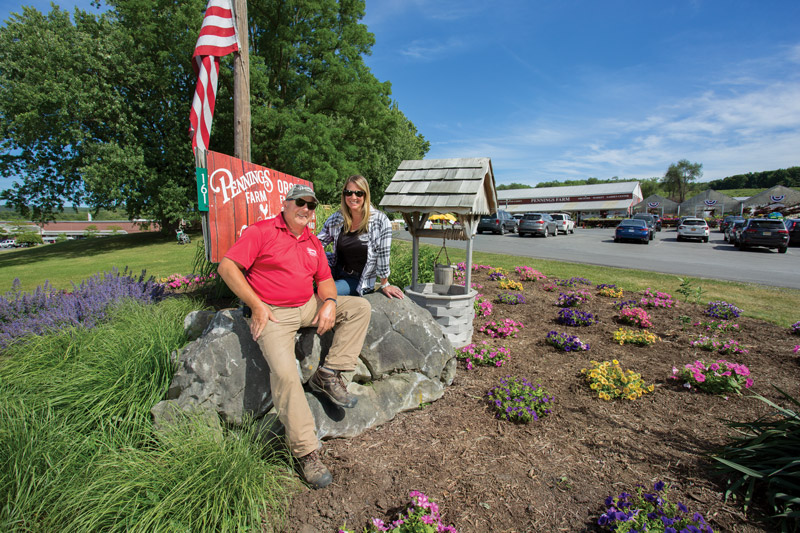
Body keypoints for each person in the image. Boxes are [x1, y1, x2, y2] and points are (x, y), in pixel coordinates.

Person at [217, 184, 371, 490]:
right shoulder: (262, 232)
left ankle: (328, 374)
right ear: (285, 204)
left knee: (360, 307)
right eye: (300, 202)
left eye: (311, 206)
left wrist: (329, 303)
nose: (306, 209)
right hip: (272, 314)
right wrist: (256, 305)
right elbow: (227, 267)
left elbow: (324, 280)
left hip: (306, 306)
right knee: (286, 376)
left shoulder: (312, 241)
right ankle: (306, 452)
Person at [317, 175, 405, 299]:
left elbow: (383, 254)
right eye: (349, 193)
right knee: (307, 275)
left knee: (322, 292)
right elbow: (317, 244)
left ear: (365, 195)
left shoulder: (380, 220)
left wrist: (384, 283)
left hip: (358, 279)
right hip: (335, 270)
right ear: (344, 195)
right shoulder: (337, 218)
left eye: (358, 193)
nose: (353, 197)